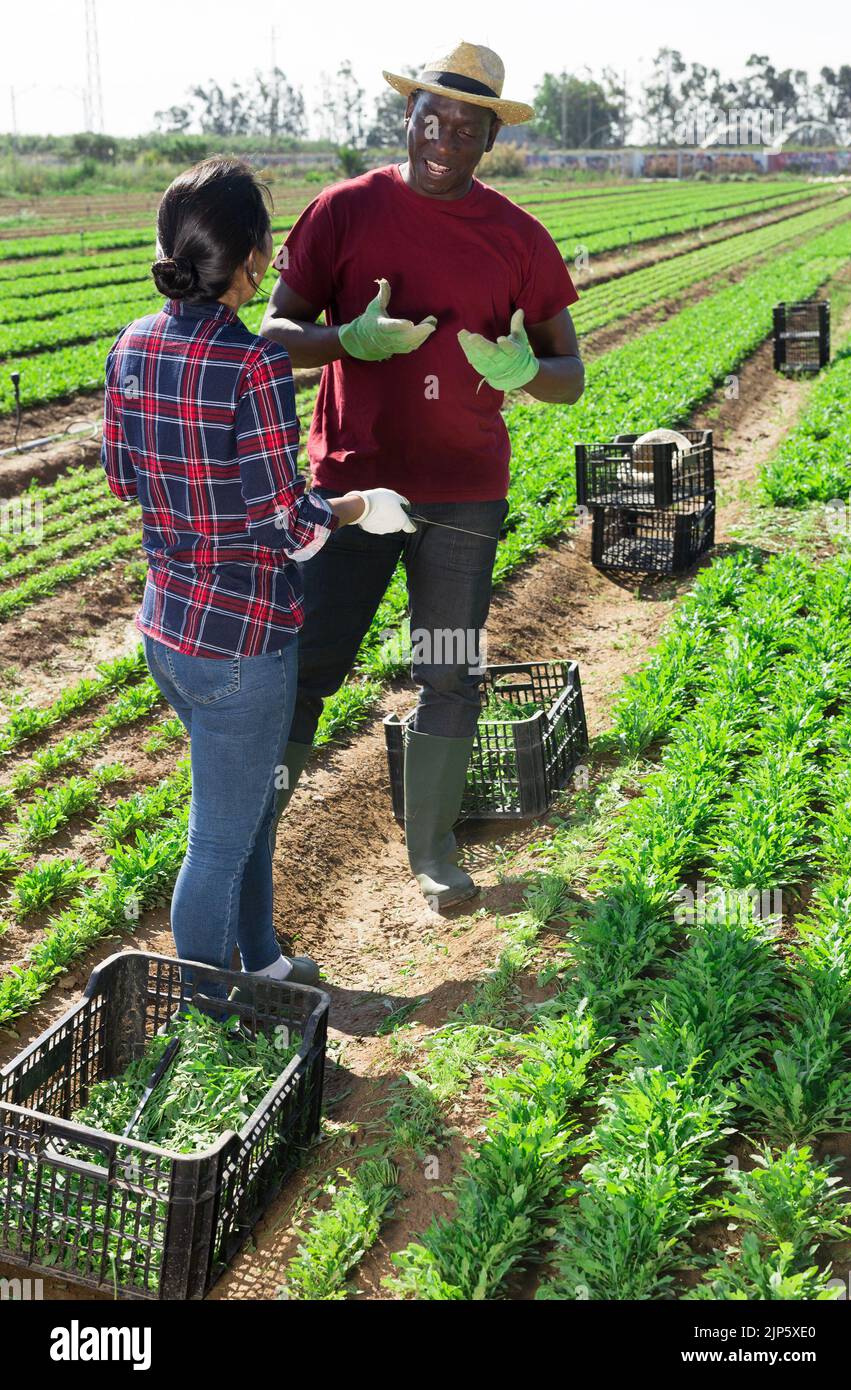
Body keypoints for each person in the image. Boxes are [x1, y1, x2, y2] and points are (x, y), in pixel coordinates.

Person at [262, 40, 584, 911]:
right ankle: (255, 837)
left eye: (464, 125)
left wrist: (525, 372)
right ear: (407, 118)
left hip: (464, 497)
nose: (442, 135)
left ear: (489, 139)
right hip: (356, 493)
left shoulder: (518, 237)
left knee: (447, 669)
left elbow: (571, 375)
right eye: (429, 116)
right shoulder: (343, 211)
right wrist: (344, 342)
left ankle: (433, 849)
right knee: (307, 670)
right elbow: (273, 336)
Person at [102, 156, 413, 986]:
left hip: (167, 628)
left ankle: (263, 959)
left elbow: (124, 478)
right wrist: (358, 507)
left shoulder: (130, 345)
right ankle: (207, 1007)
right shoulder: (253, 365)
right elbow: (291, 525)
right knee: (219, 838)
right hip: (243, 643)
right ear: (249, 260)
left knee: (242, 813)